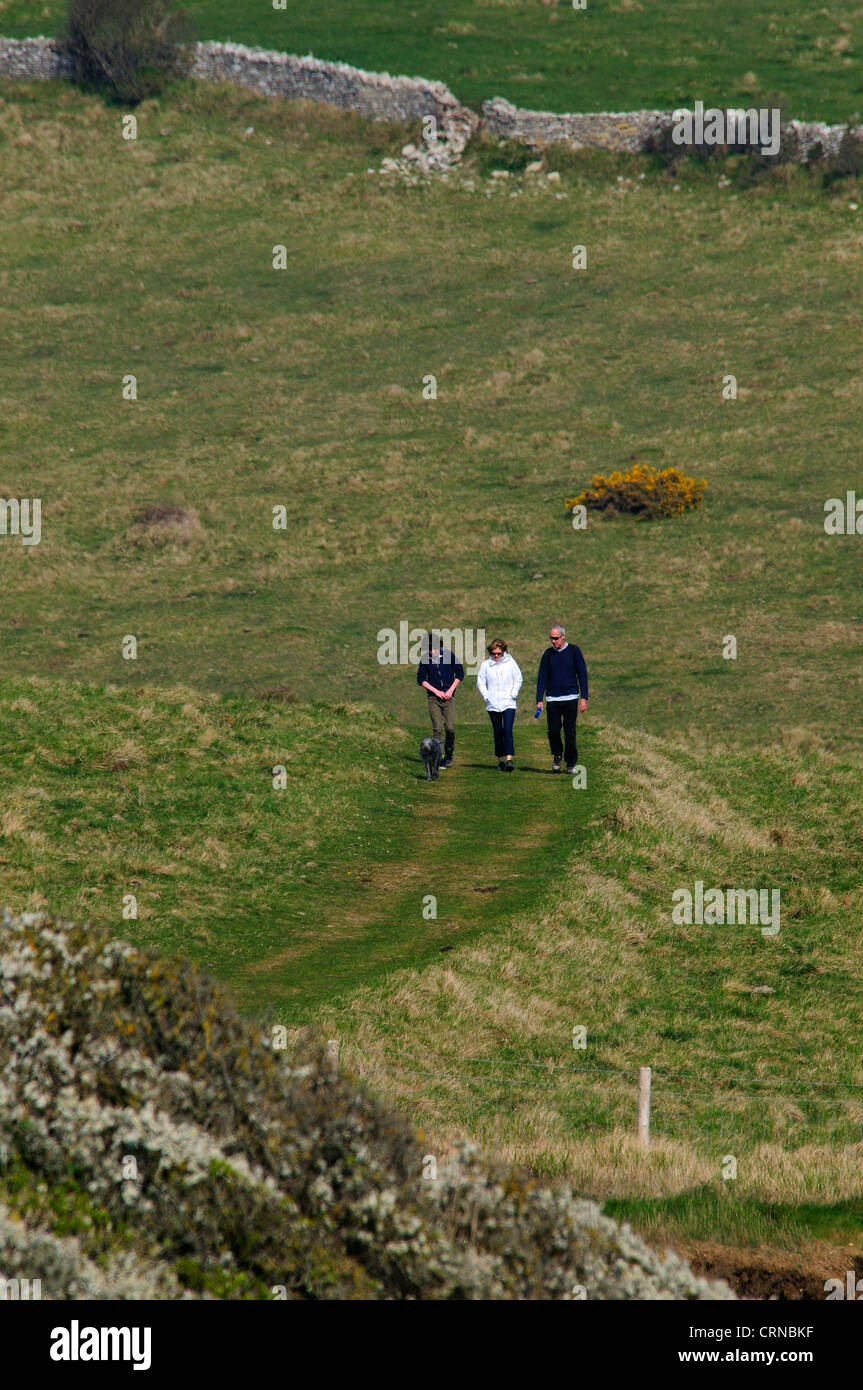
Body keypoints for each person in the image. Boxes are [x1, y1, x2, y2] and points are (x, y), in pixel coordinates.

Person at [535, 623, 589, 774]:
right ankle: (557, 755)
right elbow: (542, 677)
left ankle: (571, 762)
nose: (553, 641)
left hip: (571, 697)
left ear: (563, 637)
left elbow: (582, 675)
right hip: (552, 699)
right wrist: (539, 698)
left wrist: (584, 698)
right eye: (551, 638)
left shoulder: (574, 651)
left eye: (556, 638)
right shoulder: (548, 654)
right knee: (553, 731)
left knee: (569, 731)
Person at [416, 632, 464, 769]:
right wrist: (436, 691)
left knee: (449, 728)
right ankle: (439, 756)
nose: (432, 652)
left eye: (433, 649)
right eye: (429, 650)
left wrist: (450, 691)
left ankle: (449, 754)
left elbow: (460, 674)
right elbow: (421, 680)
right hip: (433, 698)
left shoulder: (449, 656)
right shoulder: (425, 659)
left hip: (449, 698)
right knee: (437, 728)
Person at [476, 639, 523, 771]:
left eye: (499, 653)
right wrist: (487, 696)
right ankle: (500, 760)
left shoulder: (511, 663)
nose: (496, 656)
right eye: (494, 653)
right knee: (498, 732)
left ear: (503, 652)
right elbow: (480, 682)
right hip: (493, 704)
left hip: (508, 703)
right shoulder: (486, 665)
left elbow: (518, 679)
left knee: (507, 730)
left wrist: (513, 694)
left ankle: (509, 760)